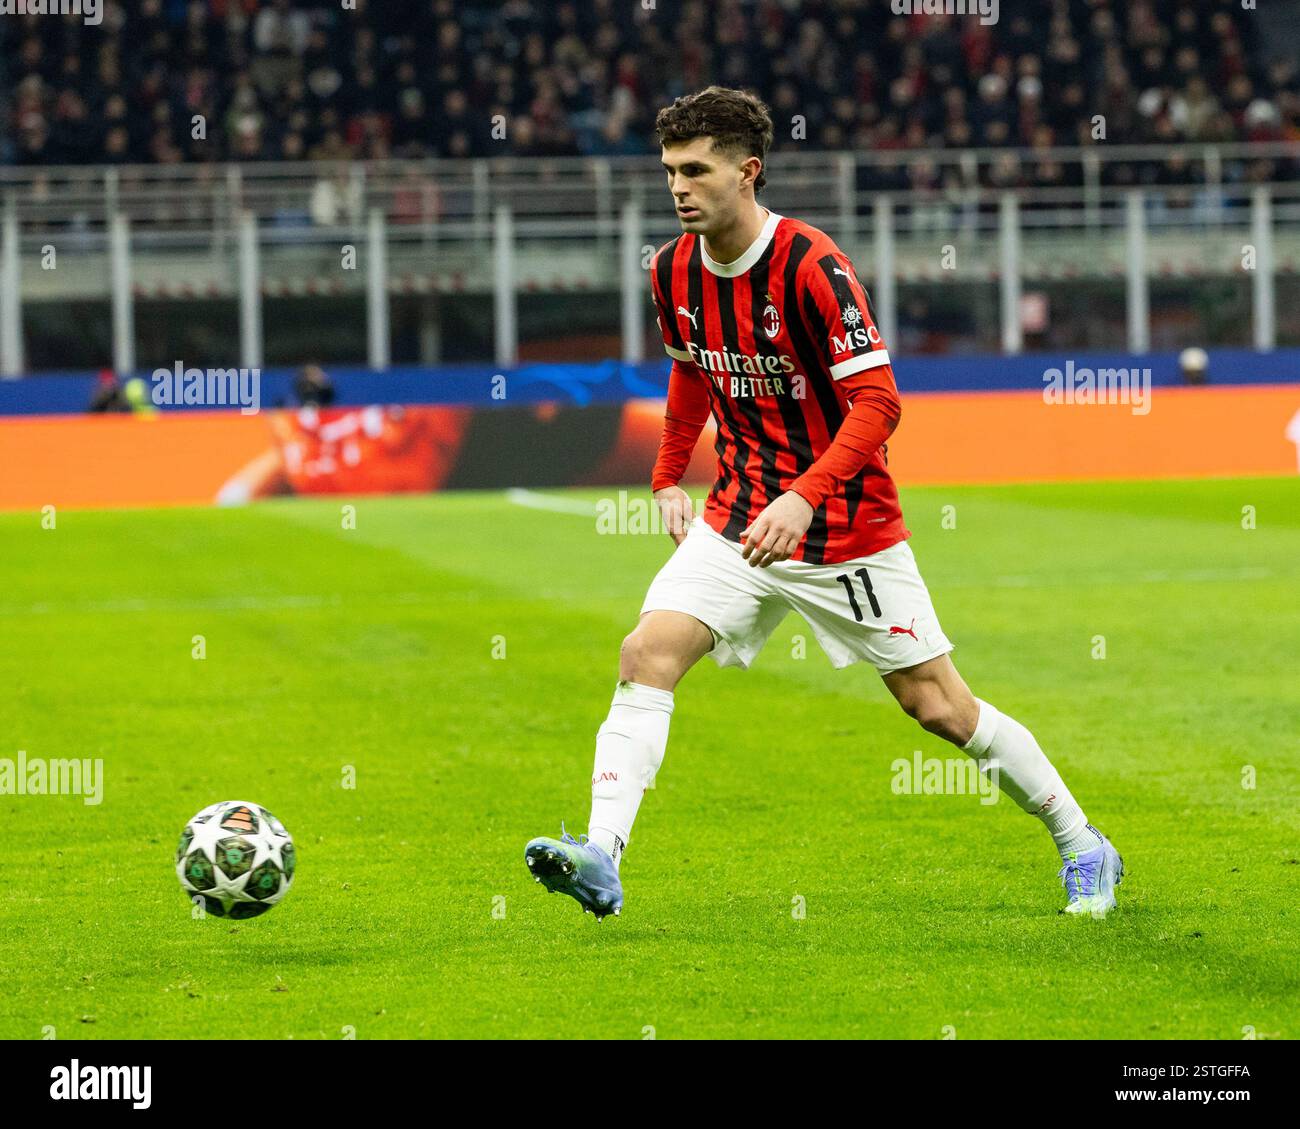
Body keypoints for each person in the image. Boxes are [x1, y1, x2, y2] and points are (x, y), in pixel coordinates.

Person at [524, 87, 1123, 921]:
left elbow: (879, 402)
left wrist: (804, 499)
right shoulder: (671, 269)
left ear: (749, 171)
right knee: (646, 653)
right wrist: (667, 476)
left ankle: (1083, 841)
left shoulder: (812, 268)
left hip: (844, 531)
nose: (679, 188)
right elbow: (693, 370)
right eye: (669, 171)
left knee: (939, 707)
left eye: (696, 170)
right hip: (737, 518)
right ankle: (602, 854)